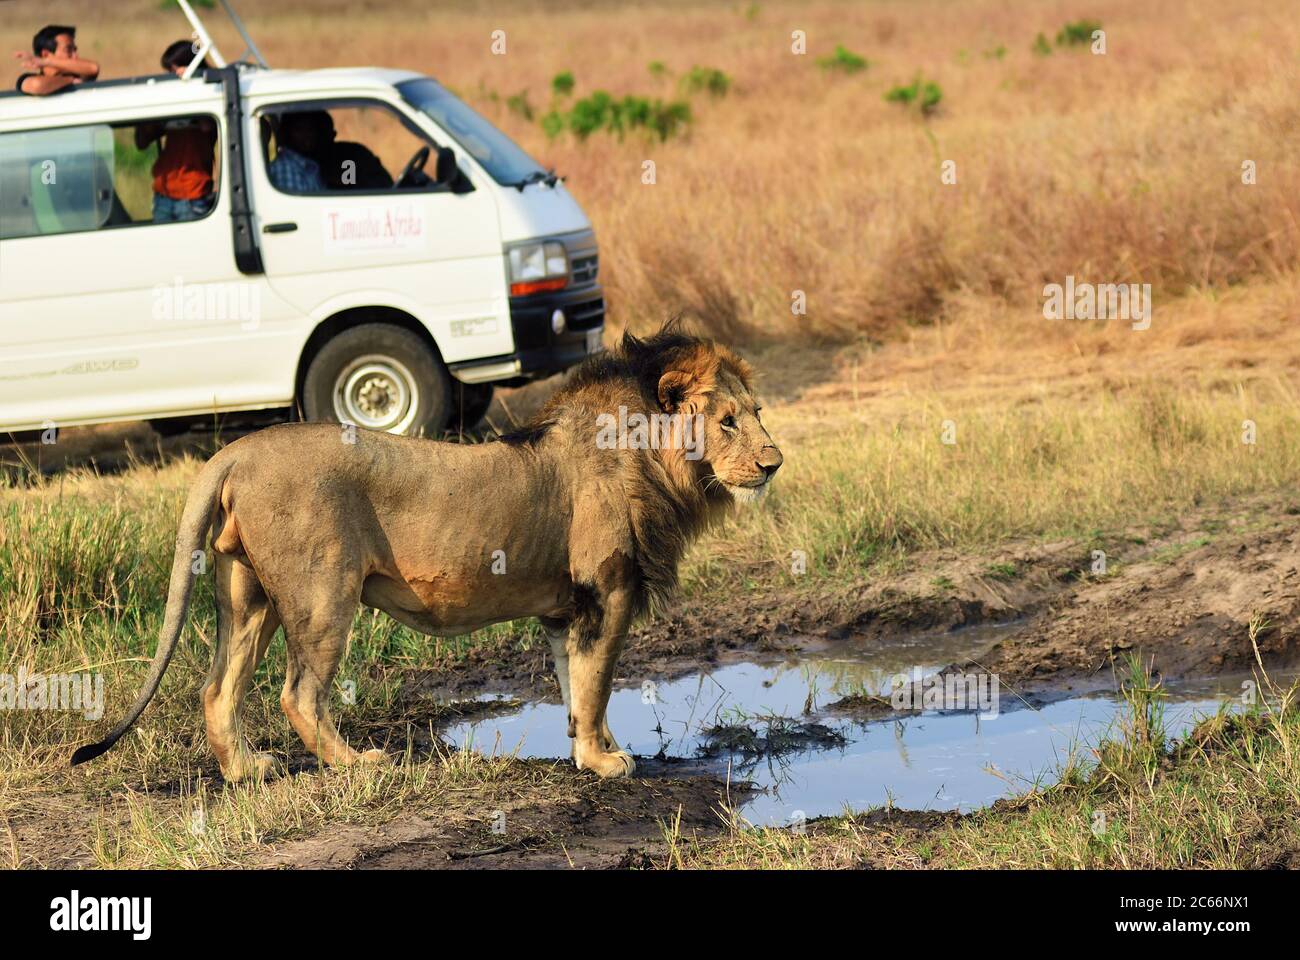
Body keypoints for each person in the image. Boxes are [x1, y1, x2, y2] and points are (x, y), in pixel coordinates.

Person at [134, 41, 218, 223]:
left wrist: (192, 87)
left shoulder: (210, 97)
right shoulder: (173, 101)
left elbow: (208, 126)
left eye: (175, 71)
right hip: (163, 193)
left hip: (193, 193)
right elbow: (142, 141)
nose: (172, 77)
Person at [300, 111, 394, 190]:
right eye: (305, 132)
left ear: (333, 135)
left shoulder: (350, 154)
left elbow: (377, 184)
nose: (310, 139)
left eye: (321, 133)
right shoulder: (293, 161)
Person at [13, 24, 99, 95]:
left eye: (75, 50)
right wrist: (70, 80)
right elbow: (37, 86)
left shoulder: (79, 74)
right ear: (46, 54)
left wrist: (46, 61)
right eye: (68, 50)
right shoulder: (29, 78)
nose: (75, 56)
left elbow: (93, 68)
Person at [268, 112, 326, 193]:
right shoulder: (285, 166)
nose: (307, 135)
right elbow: (295, 204)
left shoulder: (309, 165)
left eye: (310, 129)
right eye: (299, 130)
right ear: (286, 133)